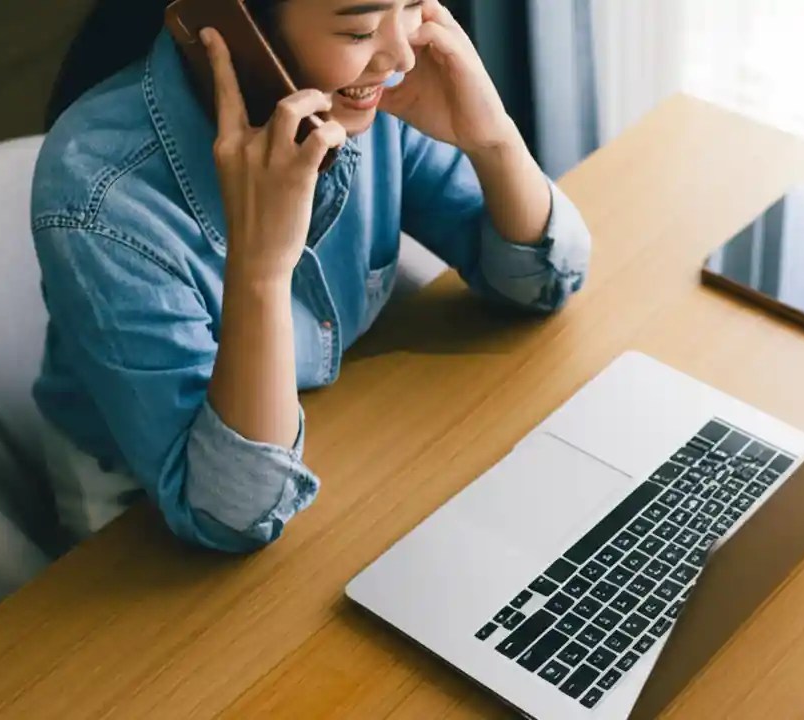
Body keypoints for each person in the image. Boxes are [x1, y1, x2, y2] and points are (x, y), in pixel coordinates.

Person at [31, 0, 592, 553]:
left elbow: (539, 283)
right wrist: (261, 269)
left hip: (330, 426)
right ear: (233, 24)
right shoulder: (97, 199)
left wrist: (493, 140)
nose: (402, 56)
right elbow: (229, 513)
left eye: (414, 4)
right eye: (360, 30)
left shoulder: (368, 92)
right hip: (145, 508)